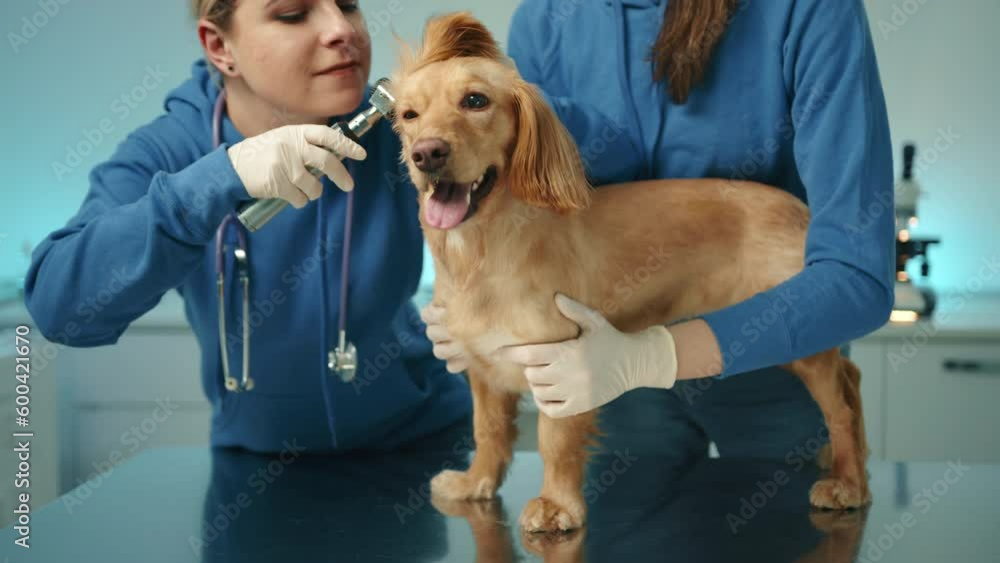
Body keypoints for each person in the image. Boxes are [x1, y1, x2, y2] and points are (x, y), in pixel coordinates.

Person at [425, 0, 894, 458]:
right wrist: (477, 305)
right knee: (623, 530)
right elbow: (523, 206)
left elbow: (857, 275)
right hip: (604, 371)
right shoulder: (547, 18)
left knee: (798, 527)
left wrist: (653, 357)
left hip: (774, 352)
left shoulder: (807, 10)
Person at [24, 0, 483, 453]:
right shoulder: (172, 151)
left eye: (347, 4)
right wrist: (218, 179)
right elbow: (60, 307)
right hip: (253, 471)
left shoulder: (405, 125)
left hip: (423, 445)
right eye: (292, 13)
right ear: (220, 46)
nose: (342, 29)